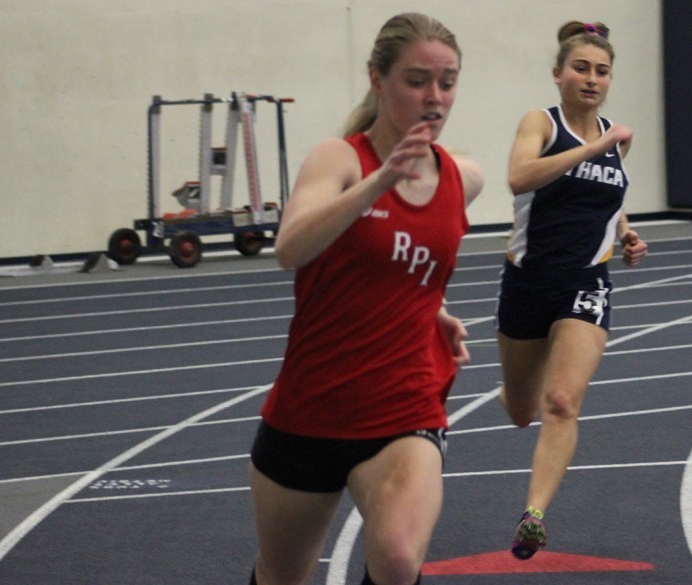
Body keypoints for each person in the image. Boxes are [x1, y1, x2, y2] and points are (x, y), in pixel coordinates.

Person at [247, 12, 484, 585]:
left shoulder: (463, 177)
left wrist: (435, 310)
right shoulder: (340, 160)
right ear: (378, 80)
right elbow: (291, 249)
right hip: (312, 408)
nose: (435, 97)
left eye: (447, 82)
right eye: (417, 80)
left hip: (404, 408)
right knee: (283, 576)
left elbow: (405, 263)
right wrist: (378, 183)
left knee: (399, 557)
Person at [494, 20, 648, 560]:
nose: (592, 79)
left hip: (586, 282)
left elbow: (605, 197)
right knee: (519, 409)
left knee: (562, 401)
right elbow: (519, 177)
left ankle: (533, 514)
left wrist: (626, 232)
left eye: (602, 71)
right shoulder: (542, 122)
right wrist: (594, 147)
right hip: (527, 280)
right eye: (581, 68)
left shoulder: (611, 139)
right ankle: (520, 388)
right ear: (558, 73)